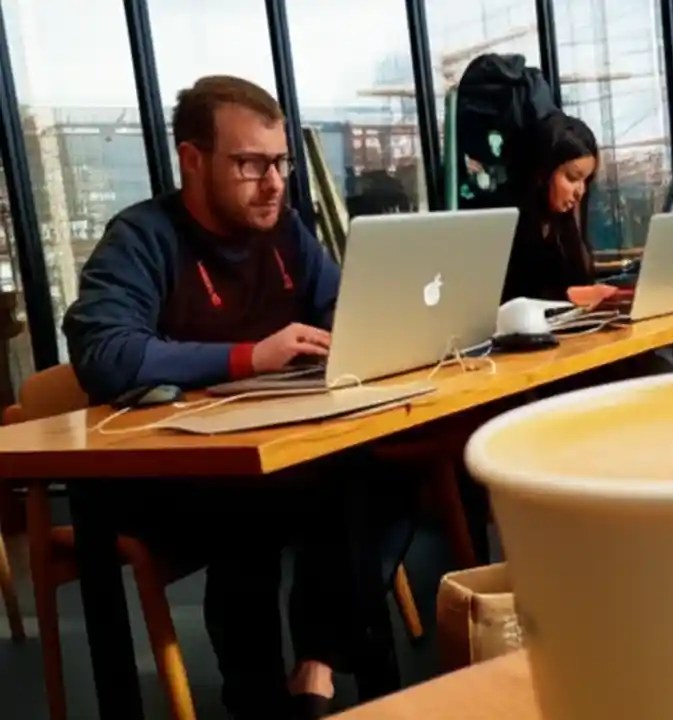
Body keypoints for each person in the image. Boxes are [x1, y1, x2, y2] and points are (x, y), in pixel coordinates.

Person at [62, 75, 408, 720]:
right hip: (165, 472)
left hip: (270, 447)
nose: (273, 183)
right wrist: (251, 356)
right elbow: (106, 355)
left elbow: (343, 306)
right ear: (192, 160)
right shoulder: (140, 238)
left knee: (378, 475)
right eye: (250, 164)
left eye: (279, 163)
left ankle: (315, 671)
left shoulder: (286, 231)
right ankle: (258, 695)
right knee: (268, 510)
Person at [501, 111, 617, 307]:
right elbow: (507, 301)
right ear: (542, 172)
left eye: (586, 180)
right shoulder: (508, 224)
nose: (580, 191)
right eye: (572, 178)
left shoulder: (566, 226)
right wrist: (570, 297)